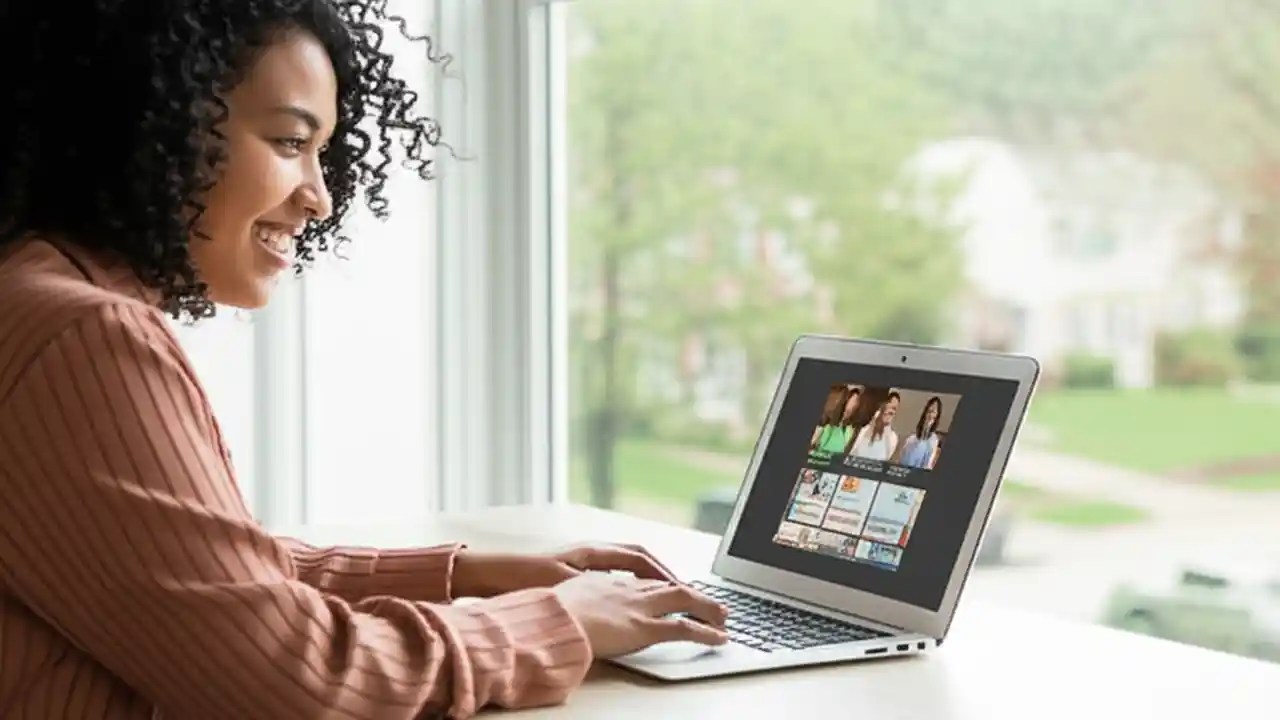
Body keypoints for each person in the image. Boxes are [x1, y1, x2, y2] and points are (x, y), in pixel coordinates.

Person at [0, 3, 727, 718]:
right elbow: (301, 678)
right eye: (289, 142)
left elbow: (187, 576)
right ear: (153, 124)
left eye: (323, 153)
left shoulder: (32, 295)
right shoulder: (83, 336)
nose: (318, 197)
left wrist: (460, 575)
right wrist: (561, 619)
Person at [809, 384, 863, 456]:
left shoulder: (852, 427)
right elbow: (815, 441)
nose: (853, 404)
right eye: (852, 400)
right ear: (847, 399)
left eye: (856, 401)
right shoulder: (830, 417)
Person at [850, 391, 901, 461]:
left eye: (894, 409)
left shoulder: (892, 438)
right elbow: (852, 453)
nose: (891, 411)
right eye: (889, 406)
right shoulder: (864, 430)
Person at [896, 396, 944, 469]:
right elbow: (900, 461)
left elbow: (927, 466)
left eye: (933, 411)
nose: (930, 415)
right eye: (929, 411)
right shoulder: (910, 440)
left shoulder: (933, 440)